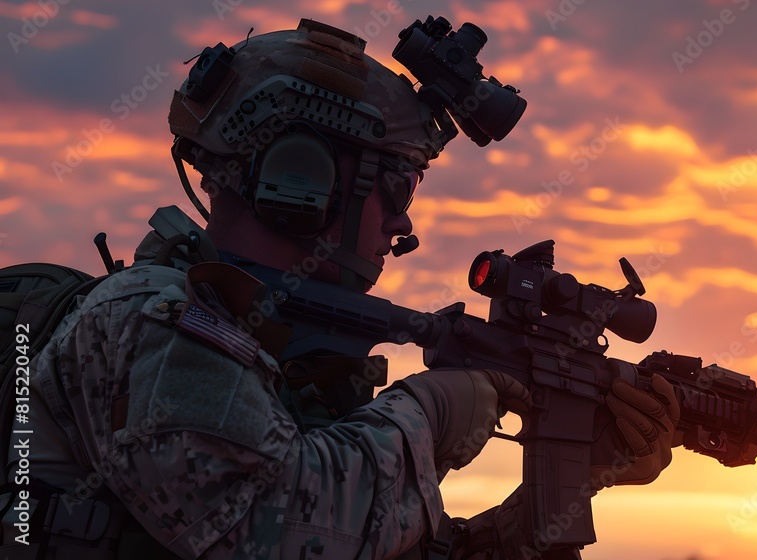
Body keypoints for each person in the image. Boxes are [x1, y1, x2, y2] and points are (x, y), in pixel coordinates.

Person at [2, 17, 680, 559]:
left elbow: (382, 545)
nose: (402, 221)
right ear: (304, 177)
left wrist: (572, 487)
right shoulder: (152, 321)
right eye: (398, 186)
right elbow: (266, 529)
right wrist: (431, 413)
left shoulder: (275, 348)